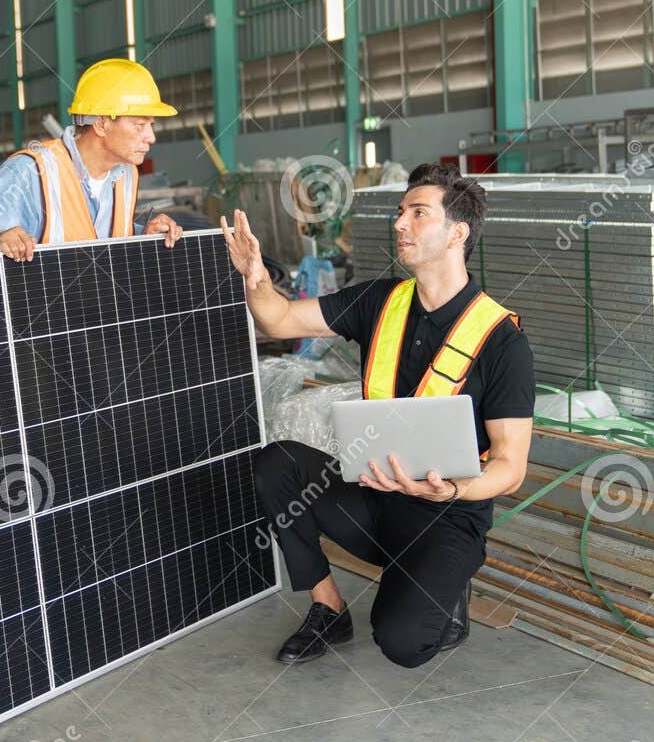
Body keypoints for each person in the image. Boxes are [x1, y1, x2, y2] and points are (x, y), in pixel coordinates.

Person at [221, 163, 535, 668]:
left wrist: (452, 489)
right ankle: (329, 608)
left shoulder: (502, 341)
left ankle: (444, 589)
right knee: (277, 463)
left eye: (417, 213)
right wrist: (256, 277)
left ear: (458, 233)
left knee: (403, 645)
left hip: (446, 516)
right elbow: (279, 317)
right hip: (374, 497)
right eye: (399, 212)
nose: (399, 224)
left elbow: (510, 466)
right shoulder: (378, 300)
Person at [0, 57, 184, 260]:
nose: (151, 137)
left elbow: (99, 236)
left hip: (95, 308)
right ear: (101, 124)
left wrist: (143, 233)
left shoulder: (126, 173)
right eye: (140, 125)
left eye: (151, 125)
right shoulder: (33, 171)